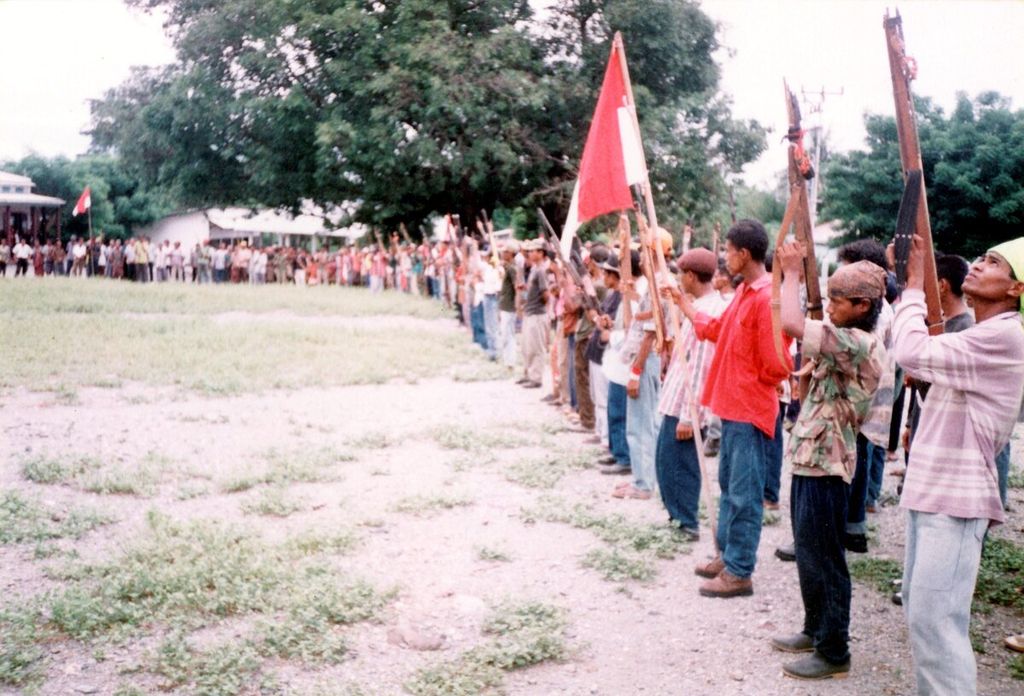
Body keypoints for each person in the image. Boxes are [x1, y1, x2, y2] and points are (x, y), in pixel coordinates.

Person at [894, 235, 1024, 695]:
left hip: (957, 500)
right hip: (935, 492)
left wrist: (912, 287)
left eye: (993, 263)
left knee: (937, 624)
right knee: (922, 613)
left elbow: (910, 352)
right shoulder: (980, 332)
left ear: (1017, 289)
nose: (977, 265)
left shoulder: (1006, 335)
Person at [770, 245, 887, 680]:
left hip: (829, 465)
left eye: (839, 301)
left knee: (826, 559)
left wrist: (793, 273)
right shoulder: (842, 336)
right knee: (808, 554)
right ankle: (814, 628)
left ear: (863, 306)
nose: (832, 308)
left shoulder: (857, 342)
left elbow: (792, 323)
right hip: (809, 458)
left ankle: (835, 650)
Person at [677, 219, 793, 598]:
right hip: (734, 407)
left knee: (743, 493)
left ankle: (740, 570)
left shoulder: (765, 298)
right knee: (730, 486)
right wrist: (684, 305)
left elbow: (777, 364)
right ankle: (728, 556)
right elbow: (716, 329)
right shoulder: (747, 292)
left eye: (728, 250)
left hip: (749, 409)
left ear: (744, 254)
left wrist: (753, 374)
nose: (725, 258)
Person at [658, 248, 728, 537]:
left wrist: (690, 415)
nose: (678, 279)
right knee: (667, 460)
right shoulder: (698, 305)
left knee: (680, 465)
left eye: (680, 274)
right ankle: (678, 516)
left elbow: (701, 367)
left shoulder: (709, 310)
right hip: (675, 397)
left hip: (686, 405)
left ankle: (686, 522)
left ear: (690, 275)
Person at [519, 240, 549, 389]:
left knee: (536, 347)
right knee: (527, 346)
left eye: (533, 251)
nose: (529, 253)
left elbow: (545, 294)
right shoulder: (534, 269)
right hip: (530, 311)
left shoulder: (541, 270)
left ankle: (536, 377)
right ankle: (529, 374)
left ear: (541, 253)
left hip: (537, 313)